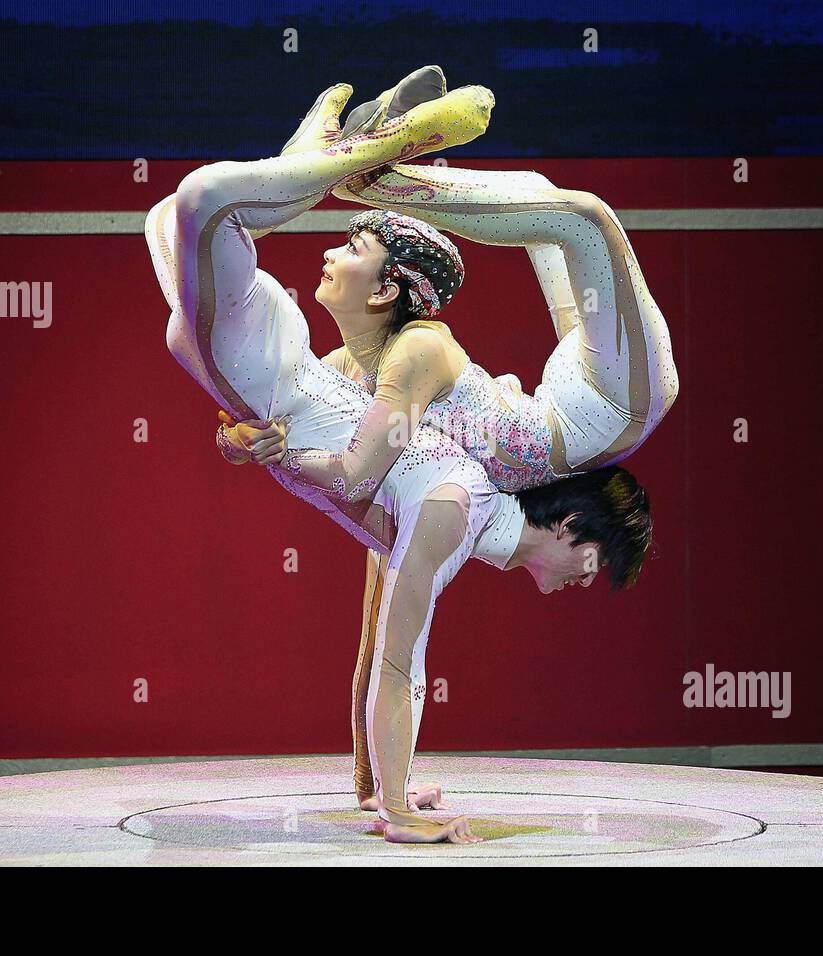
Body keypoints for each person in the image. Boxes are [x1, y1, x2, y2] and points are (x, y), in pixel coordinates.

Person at [146, 78, 653, 843]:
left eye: (352, 244)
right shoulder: (455, 471)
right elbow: (394, 645)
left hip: (266, 371)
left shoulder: (446, 478)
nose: (586, 581)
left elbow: (381, 630)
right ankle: (372, 160)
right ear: (575, 525)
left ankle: (355, 159)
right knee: (578, 219)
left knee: (193, 207)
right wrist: (398, 808)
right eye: (594, 564)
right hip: (590, 410)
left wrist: (379, 787)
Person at [247, 71, 678, 509]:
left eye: (352, 247)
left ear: (384, 293)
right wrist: (256, 439)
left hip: (571, 396)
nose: (329, 255)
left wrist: (263, 444)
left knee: (542, 196)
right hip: (619, 407)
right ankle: (364, 178)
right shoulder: (384, 359)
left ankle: (363, 172)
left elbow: (334, 460)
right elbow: (328, 453)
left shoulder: (378, 358)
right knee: (581, 217)